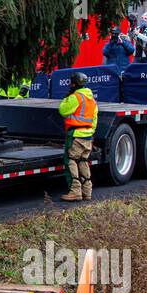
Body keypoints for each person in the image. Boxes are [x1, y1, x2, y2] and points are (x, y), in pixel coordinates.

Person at [57, 71, 98, 202]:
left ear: (74, 83)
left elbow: (63, 110)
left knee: (71, 161)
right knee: (83, 161)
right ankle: (87, 192)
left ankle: (75, 191)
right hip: (88, 135)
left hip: (76, 134)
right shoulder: (91, 99)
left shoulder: (76, 97)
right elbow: (94, 119)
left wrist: (67, 97)